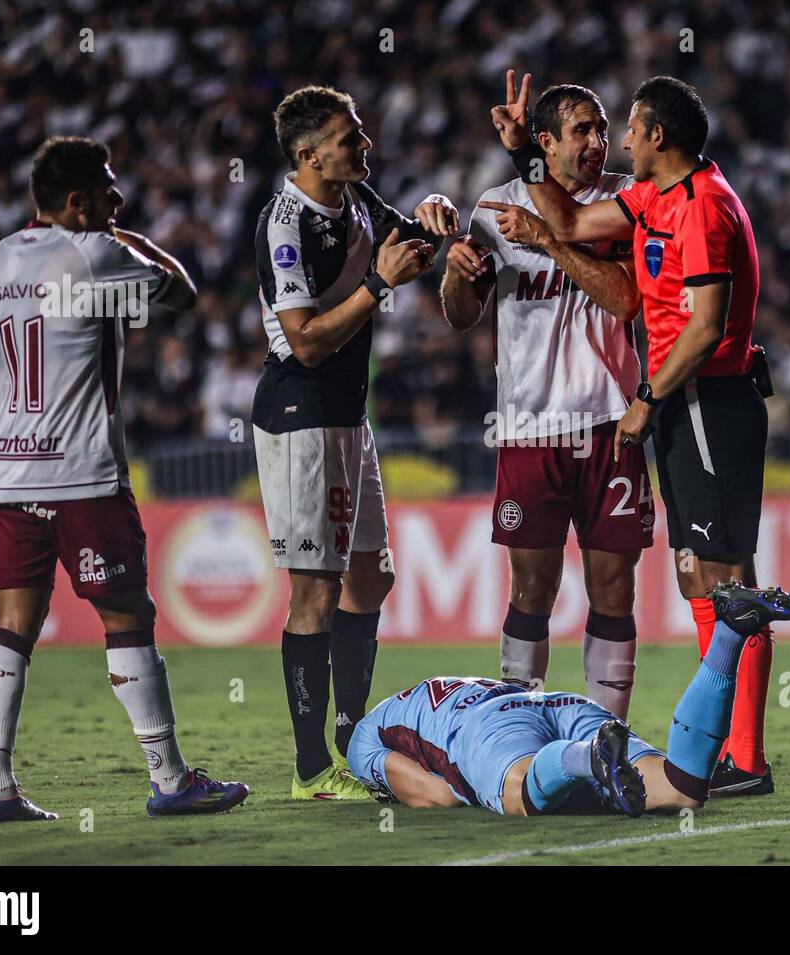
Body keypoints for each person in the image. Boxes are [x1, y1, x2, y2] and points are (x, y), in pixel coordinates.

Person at [483, 71, 782, 797]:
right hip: (682, 403)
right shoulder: (656, 196)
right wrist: (526, 153)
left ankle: (746, 757)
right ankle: (724, 748)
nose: (617, 139)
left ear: (659, 137)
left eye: (629, 127)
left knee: (729, 577)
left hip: (706, 397)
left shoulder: (704, 206)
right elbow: (575, 223)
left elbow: (706, 326)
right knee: (702, 577)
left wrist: (647, 397)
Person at [0, 136, 249, 823]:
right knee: (128, 616)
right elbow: (181, 292)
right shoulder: (98, 252)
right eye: (109, 190)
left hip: (7, 475)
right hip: (82, 474)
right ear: (79, 200)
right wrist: (120, 234)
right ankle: (171, 780)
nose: (119, 199)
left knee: (13, 623)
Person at [251, 85, 458, 800]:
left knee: (371, 578)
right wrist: (376, 283)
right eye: (349, 138)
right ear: (309, 155)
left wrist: (437, 214)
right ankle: (313, 768)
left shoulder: (358, 201)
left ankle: (352, 733)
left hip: (349, 418)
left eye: (360, 133)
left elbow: (417, 247)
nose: (363, 146)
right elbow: (305, 343)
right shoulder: (285, 226)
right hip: (300, 413)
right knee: (315, 589)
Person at [440, 83, 650, 718]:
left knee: (613, 587)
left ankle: (606, 735)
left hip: (614, 423)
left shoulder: (624, 201)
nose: (597, 142)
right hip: (531, 426)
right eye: (581, 130)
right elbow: (460, 316)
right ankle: (519, 731)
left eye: (602, 129)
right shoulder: (492, 208)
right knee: (533, 589)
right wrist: (457, 274)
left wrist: (550, 241)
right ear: (547, 141)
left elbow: (626, 299)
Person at [346, 582, 790, 815]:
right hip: (552, 703)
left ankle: (587, 759)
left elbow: (436, 797)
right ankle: (729, 633)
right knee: (681, 789)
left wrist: (390, 789)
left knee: (516, 793)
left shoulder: (364, 742)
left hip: (484, 727)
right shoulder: (420, 700)